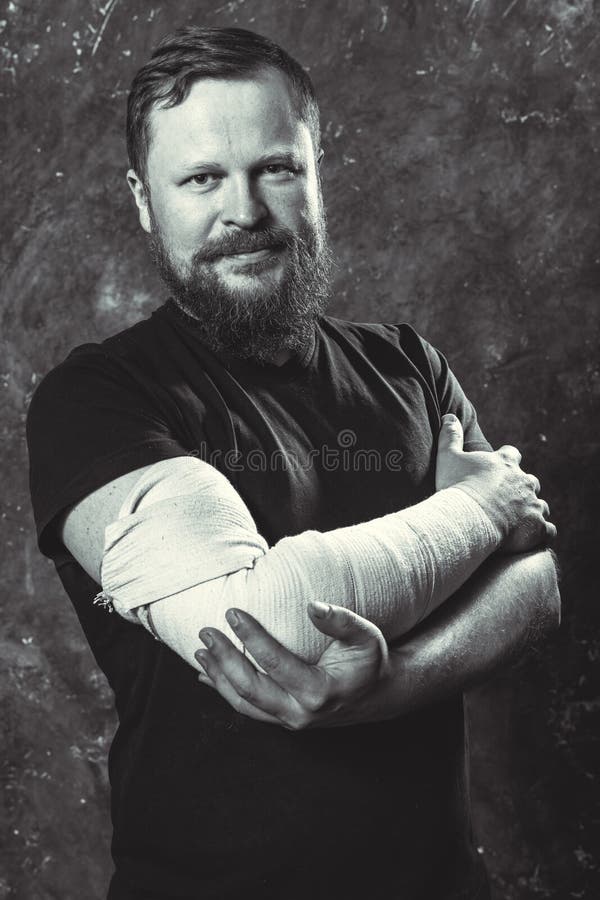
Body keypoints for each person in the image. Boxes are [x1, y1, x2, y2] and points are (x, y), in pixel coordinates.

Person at [26, 25, 560, 900]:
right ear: (141, 199)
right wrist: (483, 509)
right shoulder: (98, 398)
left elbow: (538, 586)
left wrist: (389, 685)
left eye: (275, 167)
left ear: (316, 172)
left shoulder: (408, 365)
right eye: (201, 178)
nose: (243, 210)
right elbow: (267, 619)